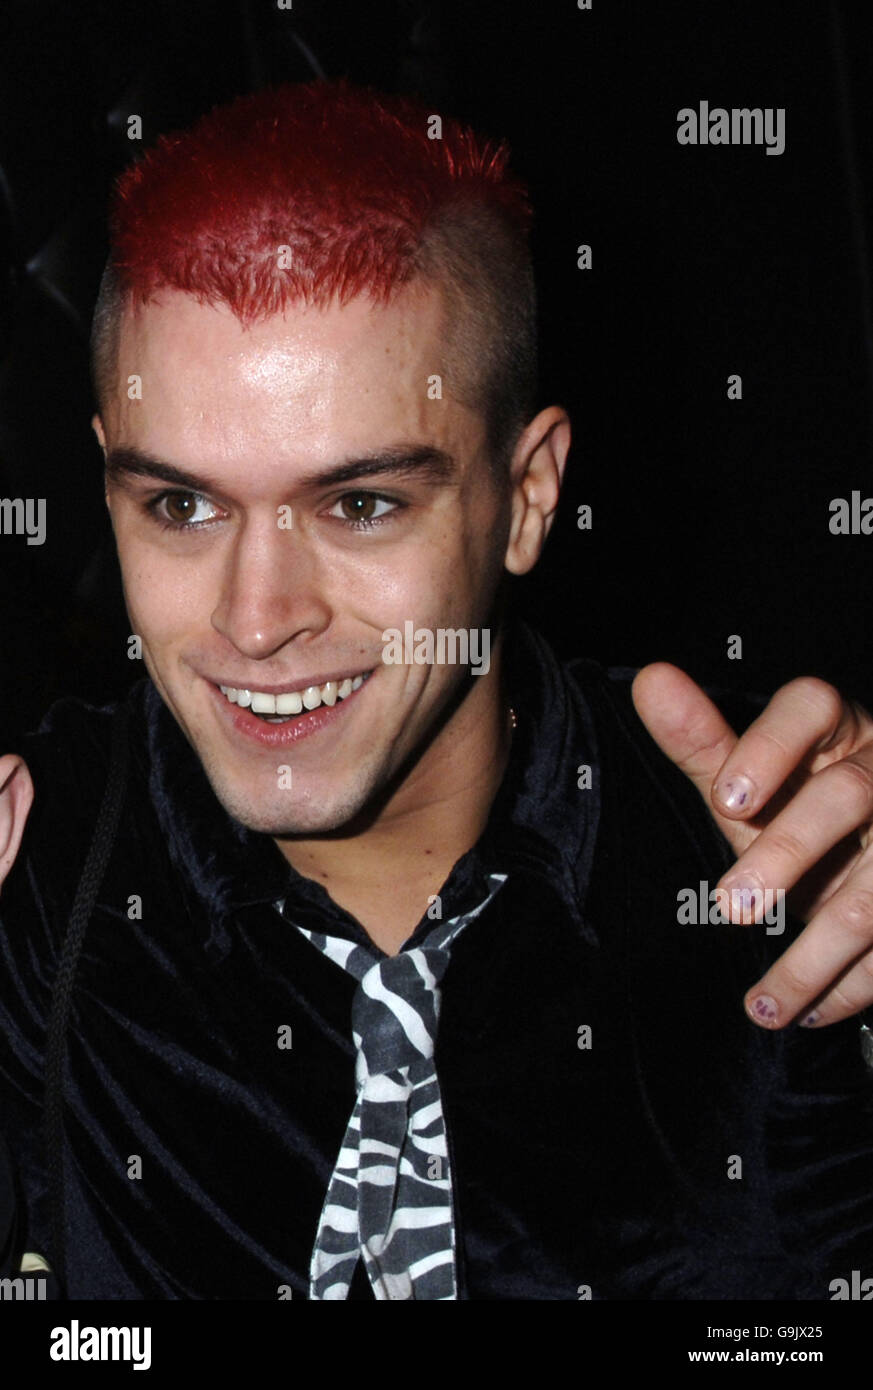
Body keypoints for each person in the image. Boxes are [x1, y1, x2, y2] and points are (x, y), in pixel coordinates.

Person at [0, 79, 872, 1301]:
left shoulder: (764, 866)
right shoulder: (47, 872)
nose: (257, 621)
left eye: (360, 506)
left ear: (527, 496)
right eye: (182, 505)